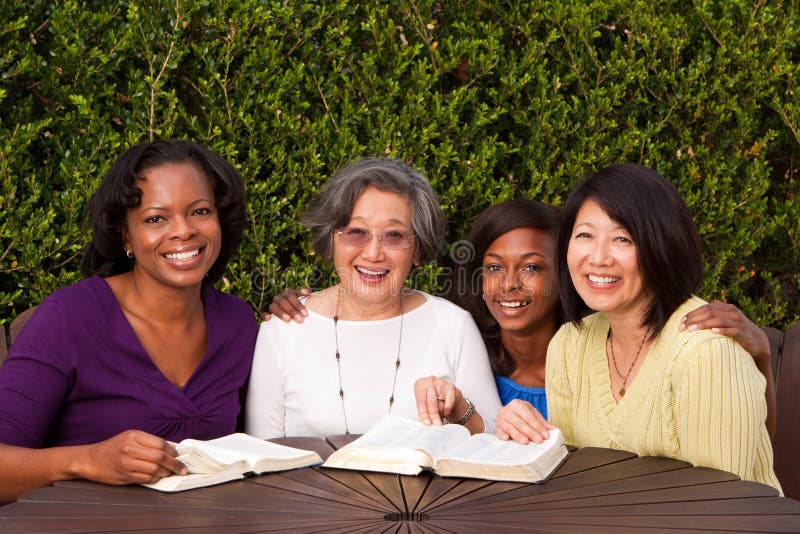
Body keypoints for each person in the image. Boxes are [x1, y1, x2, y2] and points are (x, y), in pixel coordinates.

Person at [267, 200, 775, 437]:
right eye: (493, 268)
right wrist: (310, 306)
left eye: (532, 268)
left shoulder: (599, 354)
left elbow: (745, 439)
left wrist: (760, 359)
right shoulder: (473, 350)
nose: (509, 285)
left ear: (566, 272)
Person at [0, 140, 257, 501]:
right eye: (156, 218)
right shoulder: (69, 319)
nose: (183, 230)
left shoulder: (237, 322)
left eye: (199, 211)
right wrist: (86, 461)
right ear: (125, 236)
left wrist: (299, 312)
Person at [498, 163, 780, 491]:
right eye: (585, 235)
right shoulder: (570, 344)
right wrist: (526, 436)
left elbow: (719, 504)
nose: (598, 258)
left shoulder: (705, 352)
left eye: (623, 239)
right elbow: (570, 483)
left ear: (662, 246)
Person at [244, 157, 502, 439]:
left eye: (394, 235)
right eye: (356, 232)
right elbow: (262, 453)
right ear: (331, 240)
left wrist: (460, 411)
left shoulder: (453, 326)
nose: (373, 253)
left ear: (417, 249)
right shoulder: (283, 329)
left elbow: (496, 439)